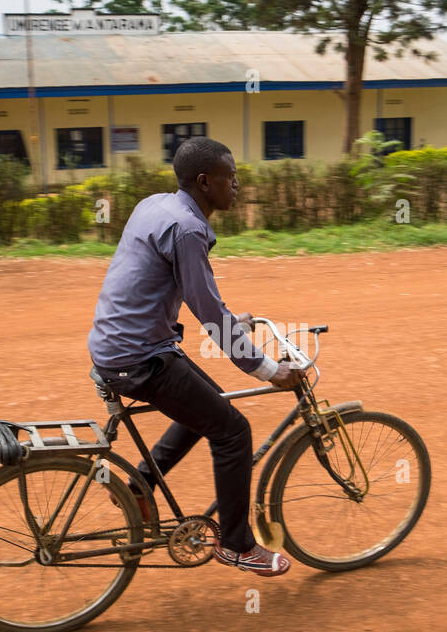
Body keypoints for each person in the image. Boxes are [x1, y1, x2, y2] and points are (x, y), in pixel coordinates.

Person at [87, 137, 301, 576]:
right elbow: (206, 309)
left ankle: (142, 484)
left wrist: (228, 320)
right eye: (231, 176)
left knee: (210, 403)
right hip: (140, 357)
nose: (237, 184)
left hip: (119, 345)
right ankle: (238, 545)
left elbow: (173, 289)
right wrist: (268, 369)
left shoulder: (156, 206)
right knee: (233, 431)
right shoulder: (187, 229)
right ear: (206, 182)